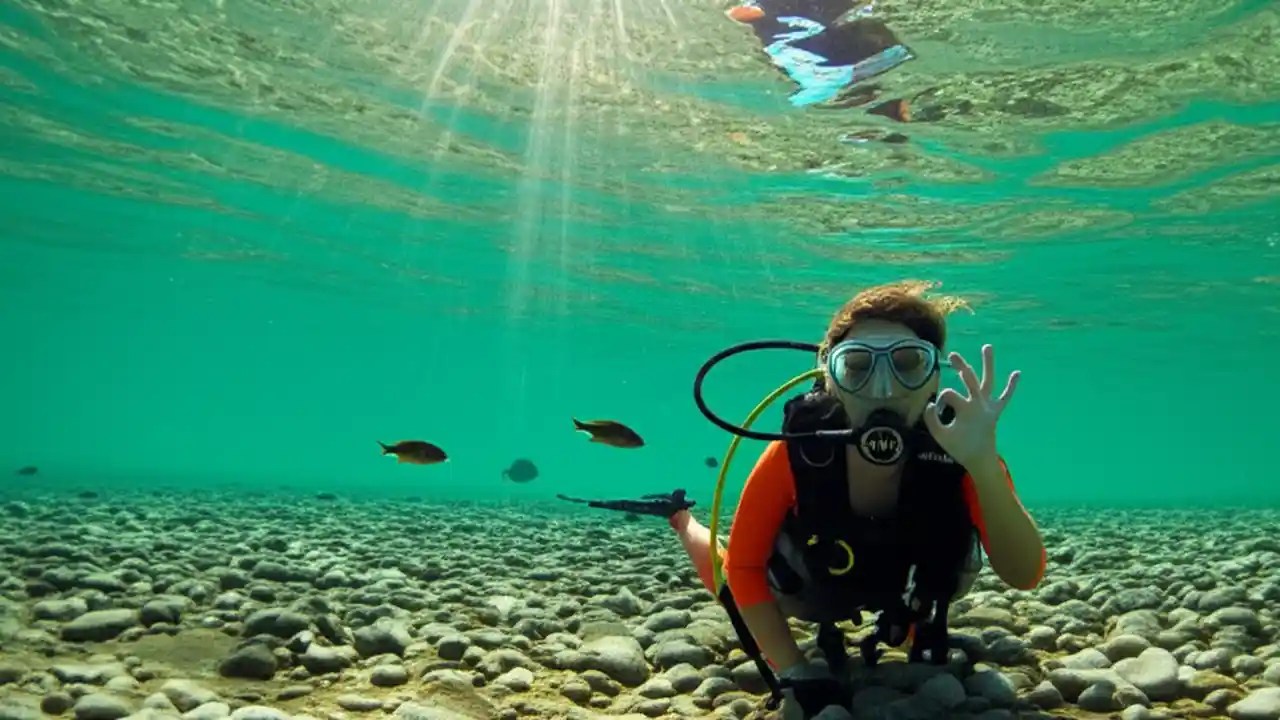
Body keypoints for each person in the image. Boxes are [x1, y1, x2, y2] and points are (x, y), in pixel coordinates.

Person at [562, 280, 1046, 719]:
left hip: (912, 573)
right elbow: (745, 569)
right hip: (813, 582)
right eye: (857, 368)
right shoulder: (795, 452)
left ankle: (914, 617)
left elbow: (1025, 574)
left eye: (908, 366)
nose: (884, 390)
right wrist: (794, 668)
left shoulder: (962, 448)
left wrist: (984, 464)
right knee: (732, 572)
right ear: (829, 378)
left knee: (957, 562)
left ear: (935, 377)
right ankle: (681, 517)